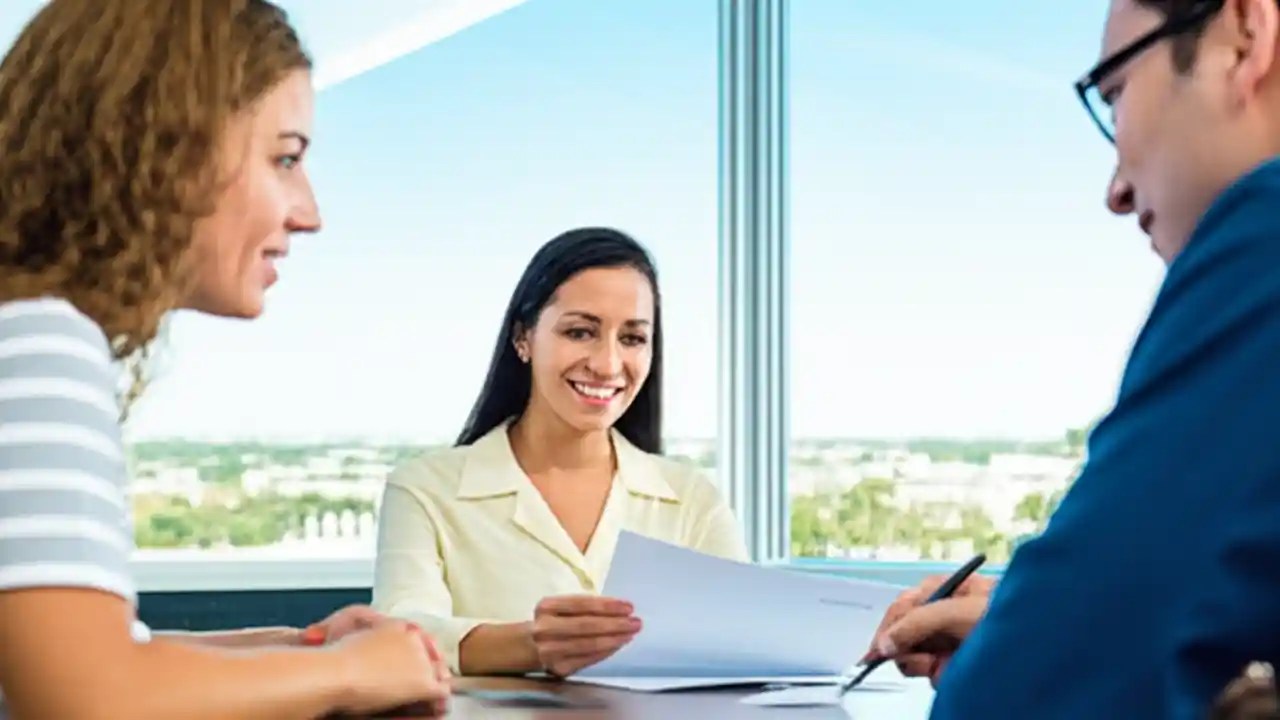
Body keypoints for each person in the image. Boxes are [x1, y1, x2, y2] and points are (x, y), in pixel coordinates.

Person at [0, 2, 450, 718]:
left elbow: (73, 651)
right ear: (162, 145)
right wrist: (352, 674)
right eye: (285, 159)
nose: (309, 211)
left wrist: (304, 649)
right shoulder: (39, 341)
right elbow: (90, 694)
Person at [862, 0, 1280, 716]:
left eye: (1114, 94)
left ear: (1244, 35)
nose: (1115, 190)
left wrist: (1027, 637)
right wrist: (1029, 618)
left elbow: (1020, 699)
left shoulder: (1263, 246)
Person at [372, 227, 748, 677]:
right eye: (580, 331)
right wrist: (532, 645)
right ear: (523, 338)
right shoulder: (425, 491)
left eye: (631, 339)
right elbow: (401, 637)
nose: (607, 364)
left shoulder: (693, 501)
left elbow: (745, 639)